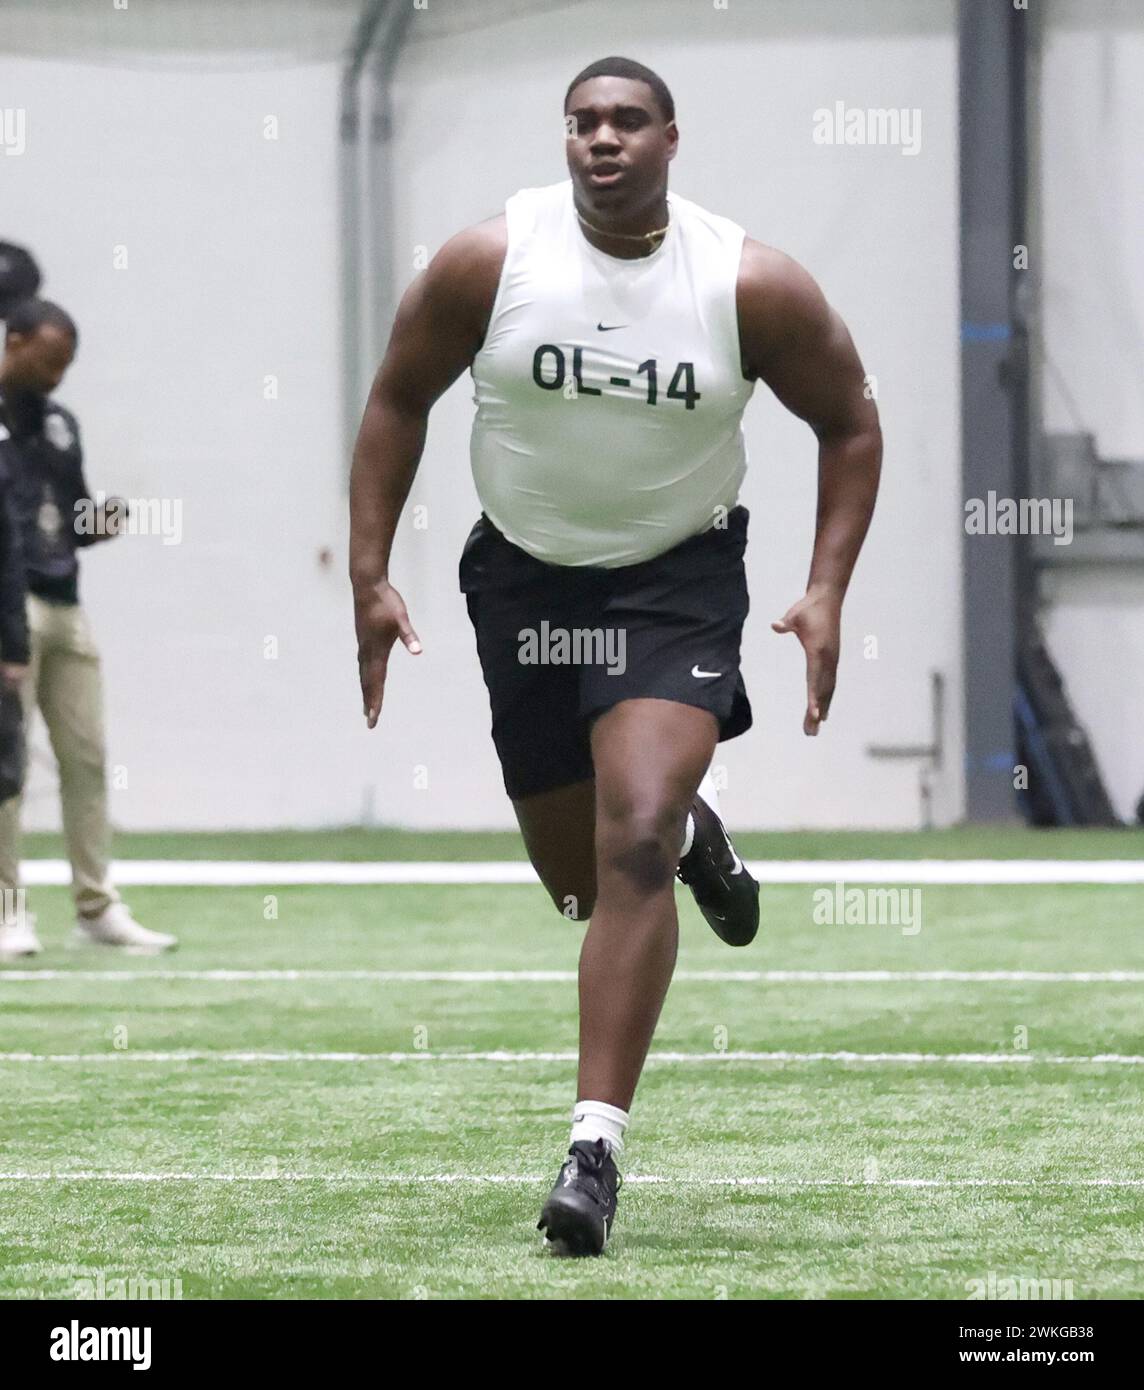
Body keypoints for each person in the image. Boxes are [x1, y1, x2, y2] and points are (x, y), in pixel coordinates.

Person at [350, 56, 881, 1255]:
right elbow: (396, 398)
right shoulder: (489, 263)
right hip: (525, 576)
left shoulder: (747, 282)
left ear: (671, 140)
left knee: (629, 831)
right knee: (583, 883)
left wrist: (825, 588)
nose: (601, 139)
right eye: (582, 121)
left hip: (673, 577)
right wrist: (369, 571)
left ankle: (594, 1146)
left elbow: (850, 419)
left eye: (625, 121)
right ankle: (699, 832)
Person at [0, 297, 175, 957]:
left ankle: (96, 906)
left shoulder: (60, 426)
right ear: (13, 342)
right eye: (46, 363)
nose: (55, 378)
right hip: (5, 608)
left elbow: (72, 521)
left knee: (88, 758)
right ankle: (7, 913)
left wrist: (103, 521)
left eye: (64, 367)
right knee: (6, 770)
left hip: (64, 605)